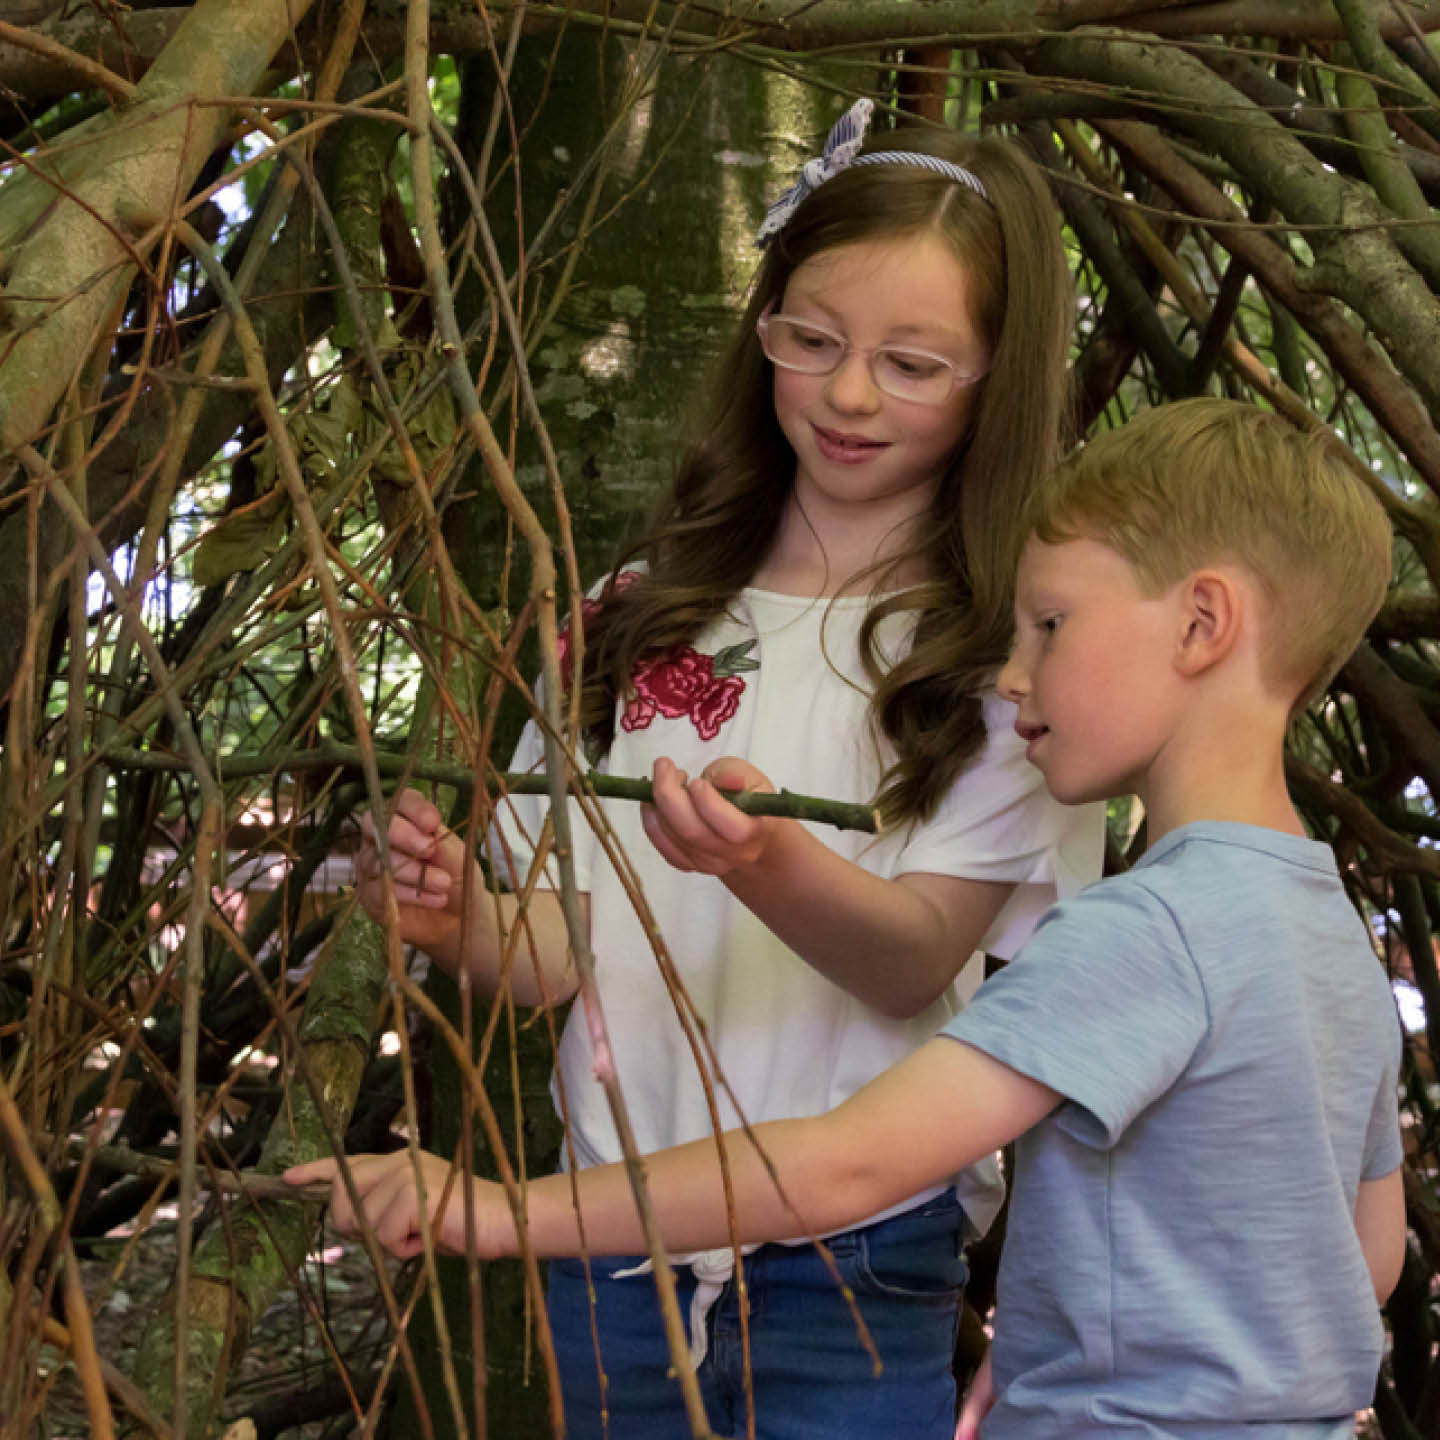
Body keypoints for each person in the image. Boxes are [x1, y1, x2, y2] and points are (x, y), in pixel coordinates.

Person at [292, 397, 1407, 1438]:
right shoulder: (1324, 934)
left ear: (1203, 621)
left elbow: (843, 1170)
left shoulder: (1143, 932)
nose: (1013, 677)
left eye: (1050, 625)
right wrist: (1078, 1347)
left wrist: (487, 1211)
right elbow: (1365, 1260)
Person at [313, 98, 1103, 1438]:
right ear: (764, 330)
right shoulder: (634, 615)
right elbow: (564, 949)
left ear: (1000, 377)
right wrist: (455, 921)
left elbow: (918, 959)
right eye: (811, 340)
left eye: (915, 364)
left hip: (856, 1251)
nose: (850, 395)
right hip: (603, 1232)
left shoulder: (1003, 659)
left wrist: (766, 866)